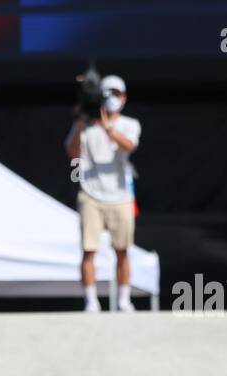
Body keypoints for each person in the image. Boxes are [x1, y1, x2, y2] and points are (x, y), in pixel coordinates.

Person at [65, 74, 141, 312]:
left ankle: (123, 300)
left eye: (116, 94)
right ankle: (91, 301)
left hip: (120, 196)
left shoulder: (130, 124)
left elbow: (129, 146)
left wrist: (107, 126)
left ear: (124, 98)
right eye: (107, 94)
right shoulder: (86, 126)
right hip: (91, 195)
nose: (112, 99)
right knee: (89, 250)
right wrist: (81, 120)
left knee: (123, 250)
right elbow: (73, 154)